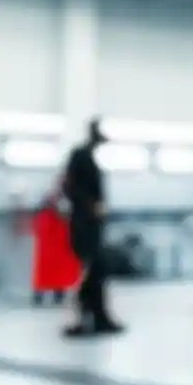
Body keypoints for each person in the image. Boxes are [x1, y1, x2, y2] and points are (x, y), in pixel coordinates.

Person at [61, 118, 124, 337]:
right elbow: (68, 186)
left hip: (92, 225)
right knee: (87, 272)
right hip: (82, 225)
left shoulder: (89, 158)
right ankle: (82, 320)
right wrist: (90, 206)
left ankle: (99, 317)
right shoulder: (80, 155)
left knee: (97, 271)